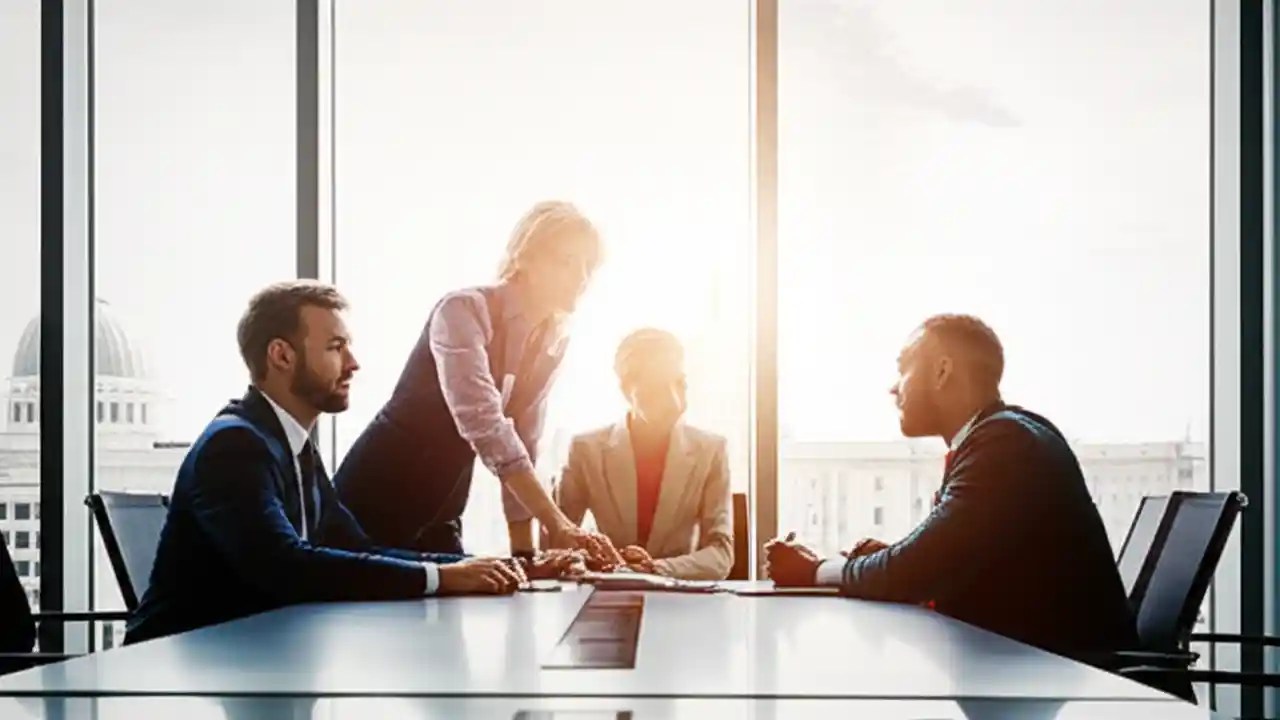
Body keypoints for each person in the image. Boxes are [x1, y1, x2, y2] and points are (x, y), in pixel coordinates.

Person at [126, 281, 576, 645]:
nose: (354, 363)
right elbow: (287, 567)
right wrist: (443, 576)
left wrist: (499, 566)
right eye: (336, 347)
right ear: (281, 355)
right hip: (176, 672)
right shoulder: (235, 447)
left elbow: (357, 547)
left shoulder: (293, 447)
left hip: (259, 657)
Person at [764, 314, 1139, 664]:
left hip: (1061, 681)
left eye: (903, 368)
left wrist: (815, 571)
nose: (894, 388)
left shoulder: (1003, 443)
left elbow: (915, 571)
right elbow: (946, 558)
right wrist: (893, 558)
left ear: (942, 371)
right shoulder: (1013, 431)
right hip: (1031, 668)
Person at [335, 201, 621, 567]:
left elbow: (524, 444)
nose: (581, 277)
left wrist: (526, 558)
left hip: (442, 507)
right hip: (377, 493)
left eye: (588, 266)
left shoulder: (551, 342)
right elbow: (485, 425)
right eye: (567, 261)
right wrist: (559, 524)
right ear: (524, 258)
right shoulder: (462, 310)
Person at [554, 329, 733, 580]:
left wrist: (654, 569)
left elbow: (721, 554)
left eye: (680, 384)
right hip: (607, 599)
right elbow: (556, 544)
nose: (674, 401)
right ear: (627, 390)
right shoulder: (586, 450)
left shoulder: (711, 450)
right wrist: (595, 563)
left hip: (680, 600)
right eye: (658, 387)